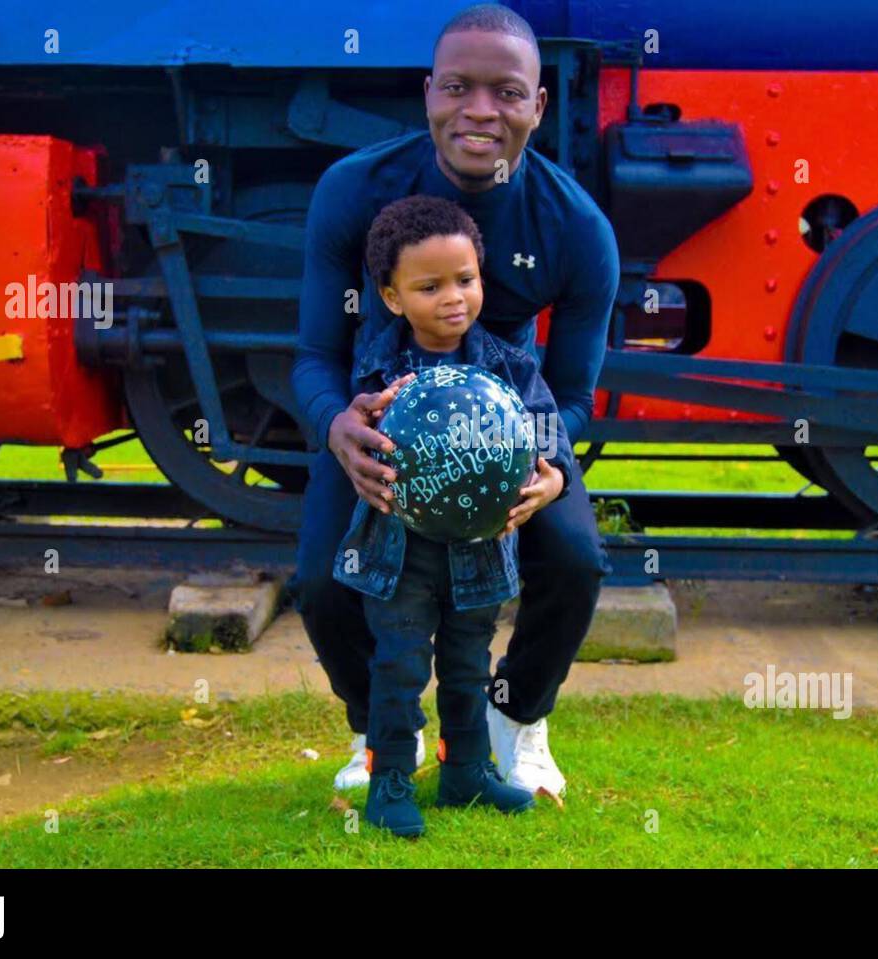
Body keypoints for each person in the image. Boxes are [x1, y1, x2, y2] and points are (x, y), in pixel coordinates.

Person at [291, 3, 619, 797]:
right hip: (385, 436)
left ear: (539, 106)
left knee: (577, 560)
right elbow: (311, 357)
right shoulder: (351, 191)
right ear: (427, 92)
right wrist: (339, 426)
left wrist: (549, 467)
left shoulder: (577, 229)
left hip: (518, 434)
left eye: (507, 92)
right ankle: (381, 733)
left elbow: (573, 395)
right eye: (459, 87)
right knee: (321, 580)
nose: (480, 111)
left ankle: (515, 718)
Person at [335, 195, 575, 837]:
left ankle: (467, 768)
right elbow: (359, 438)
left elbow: (552, 439)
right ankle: (388, 778)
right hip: (399, 552)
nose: (453, 298)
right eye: (429, 285)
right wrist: (360, 419)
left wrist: (551, 480)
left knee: (469, 664)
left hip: (481, 553)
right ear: (391, 297)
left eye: (465, 280)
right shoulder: (380, 370)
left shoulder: (511, 367)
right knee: (400, 663)